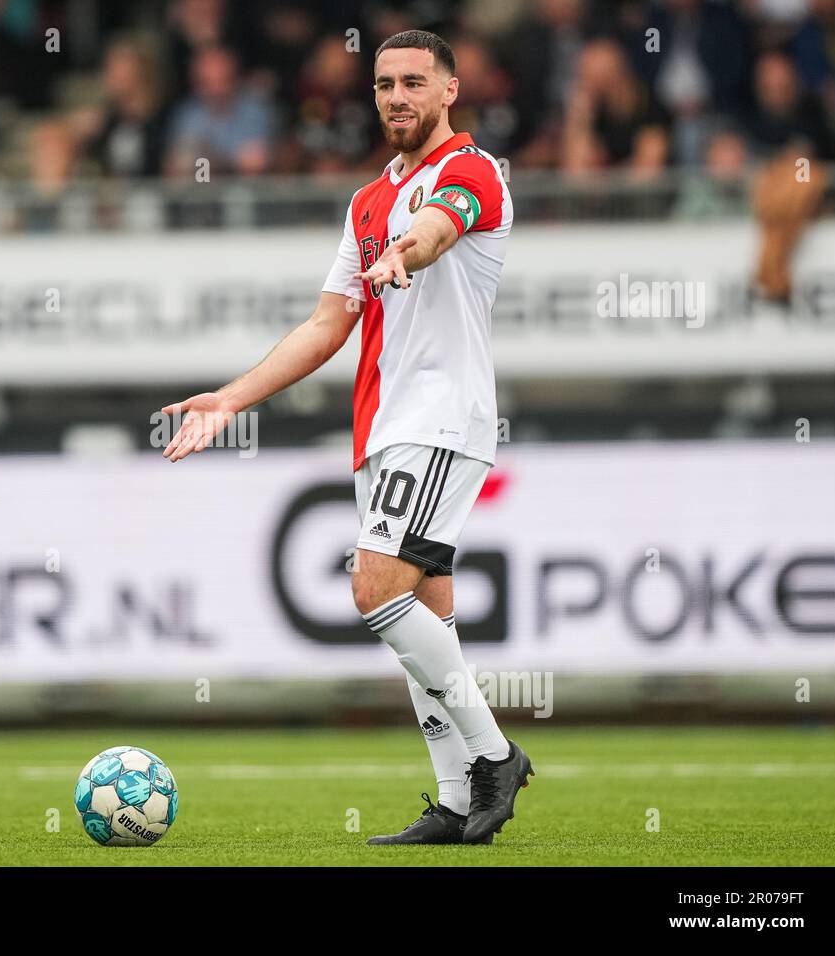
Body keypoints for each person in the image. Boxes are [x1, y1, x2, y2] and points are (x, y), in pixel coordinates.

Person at [159, 30, 532, 846]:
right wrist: (229, 399)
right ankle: (457, 801)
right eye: (384, 84)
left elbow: (438, 229)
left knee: (374, 589)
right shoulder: (364, 202)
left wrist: (409, 252)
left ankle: (496, 756)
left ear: (449, 92)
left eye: (413, 82)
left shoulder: (474, 172)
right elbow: (328, 325)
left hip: (439, 419)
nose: (397, 96)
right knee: (424, 612)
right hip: (382, 428)